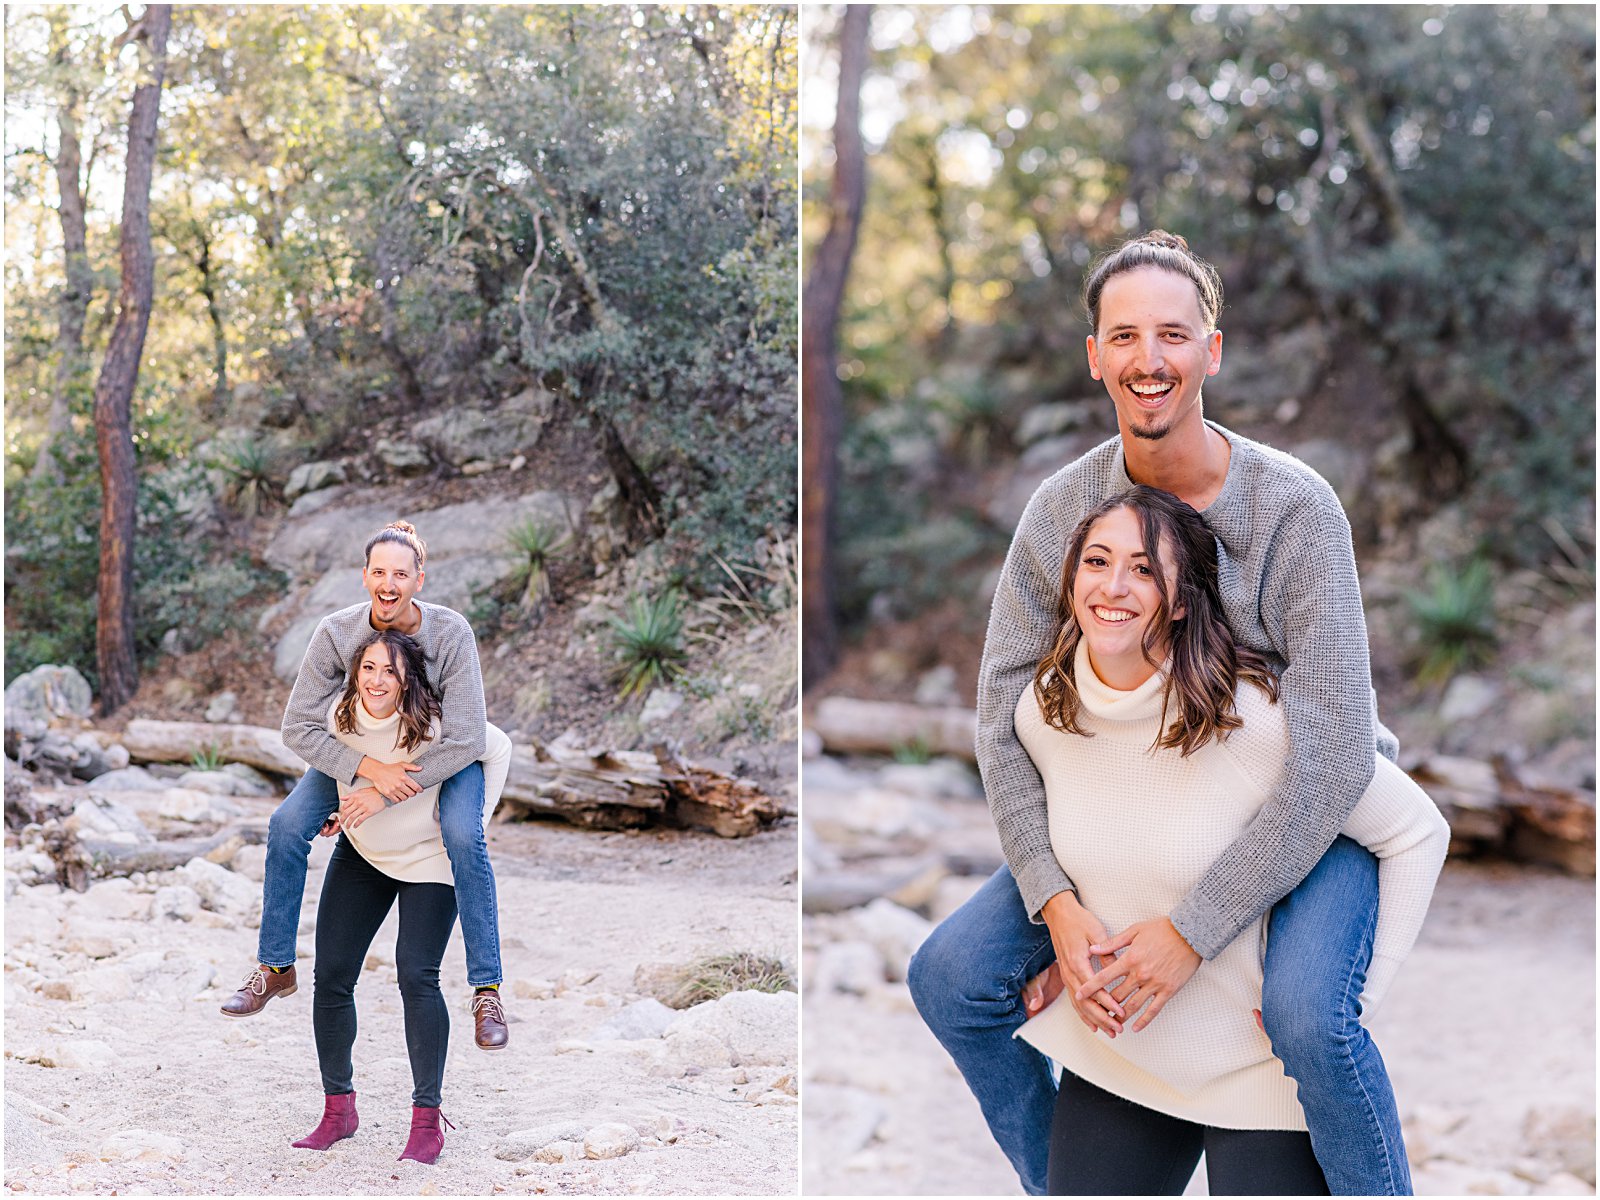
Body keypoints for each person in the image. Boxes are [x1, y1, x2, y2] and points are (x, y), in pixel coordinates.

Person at [907, 232, 1421, 1195]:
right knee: (951, 977)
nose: (1151, 359)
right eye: (1126, 336)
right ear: (1095, 354)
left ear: (1211, 352)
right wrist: (1058, 909)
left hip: (1311, 808)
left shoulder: (1293, 511)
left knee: (1310, 1017)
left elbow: (1340, 751)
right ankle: (1073, 1176)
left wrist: (1192, 931)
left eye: (1174, 335)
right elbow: (998, 718)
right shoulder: (1065, 513)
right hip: (1139, 803)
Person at [1008, 485, 1448, 1194]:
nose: (1113, 586)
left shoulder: (1249, 720)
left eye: (1145, 569)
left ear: (1182, 602)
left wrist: (1355, 1003)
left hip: (1256, 1079)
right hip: (1124, 1059)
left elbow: (1417, 830)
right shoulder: (1042, 712)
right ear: (1071, 578)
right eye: (1096, 561)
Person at [222, 520, 510, 1053]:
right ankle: (275, 965)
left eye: (401, 573)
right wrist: (367, 771)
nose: (389, 582)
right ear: (365, 576)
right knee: (286, 825)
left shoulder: (451, 634)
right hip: (361, 758)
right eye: (380, 571)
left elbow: (468, 736)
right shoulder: (335, 632)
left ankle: (487, 990)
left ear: (418, 579)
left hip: (440, 759)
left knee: (464, 838)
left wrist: (384, 791)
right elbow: (297, 726)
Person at [290, 628, 512, 1164]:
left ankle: (426, 1121)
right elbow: (318, 760)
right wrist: (330, 809)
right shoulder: (336, 719)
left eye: (390, 670)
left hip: (430, 863)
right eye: (369, 668)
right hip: (364, 854)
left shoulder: (435, 726)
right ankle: (339, 1110)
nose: (377, 680)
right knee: (332, 975)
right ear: (354, 672)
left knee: (416, 976)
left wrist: (469, 827)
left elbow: (497, 746)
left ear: (408, 677)